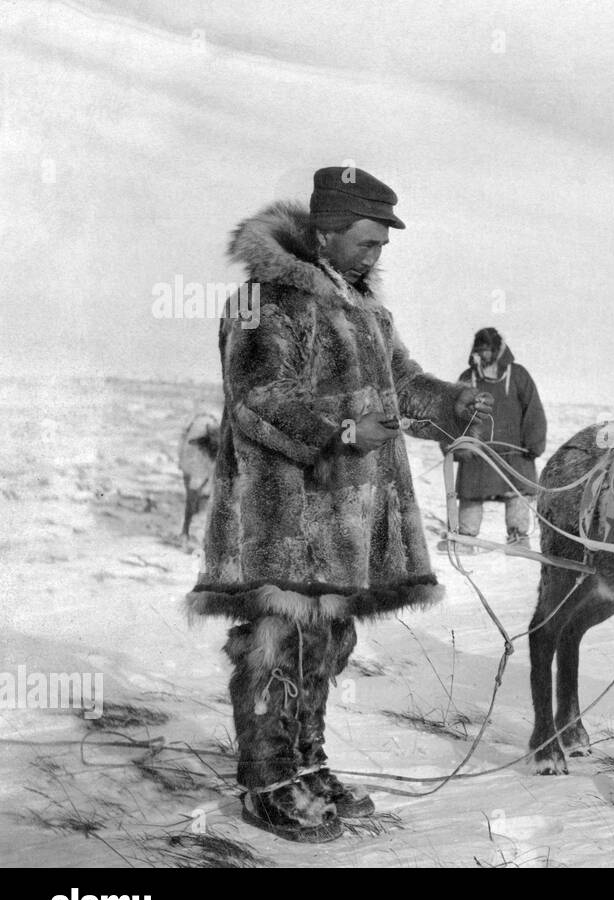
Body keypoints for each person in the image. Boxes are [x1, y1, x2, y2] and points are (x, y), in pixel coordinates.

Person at [187, 167, 492, 842]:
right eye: (367, 242)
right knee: (279, 640)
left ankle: (308, 765)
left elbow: (401, 383)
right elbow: (258, 404)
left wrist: (450, 403)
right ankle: (268, 784)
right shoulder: (265, 302)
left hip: (346, 520)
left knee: (329, 637)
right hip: (282, 513)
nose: (376, 256)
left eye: (382, 245)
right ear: (325, 232)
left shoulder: (362, 308)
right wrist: (344, 429)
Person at [437, 327, 546, 551]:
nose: (483, 355)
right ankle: (465, 540)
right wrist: (454, 444)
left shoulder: (518, 376)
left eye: (487, 350)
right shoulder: (468, 379)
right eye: (479, 350)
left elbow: (533, 410)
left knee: (517, 494)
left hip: (514, 453)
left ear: (497, 351)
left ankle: (518, 540)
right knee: (470, 496)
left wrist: (534, 443)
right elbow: (453, 413)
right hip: (478, 454)